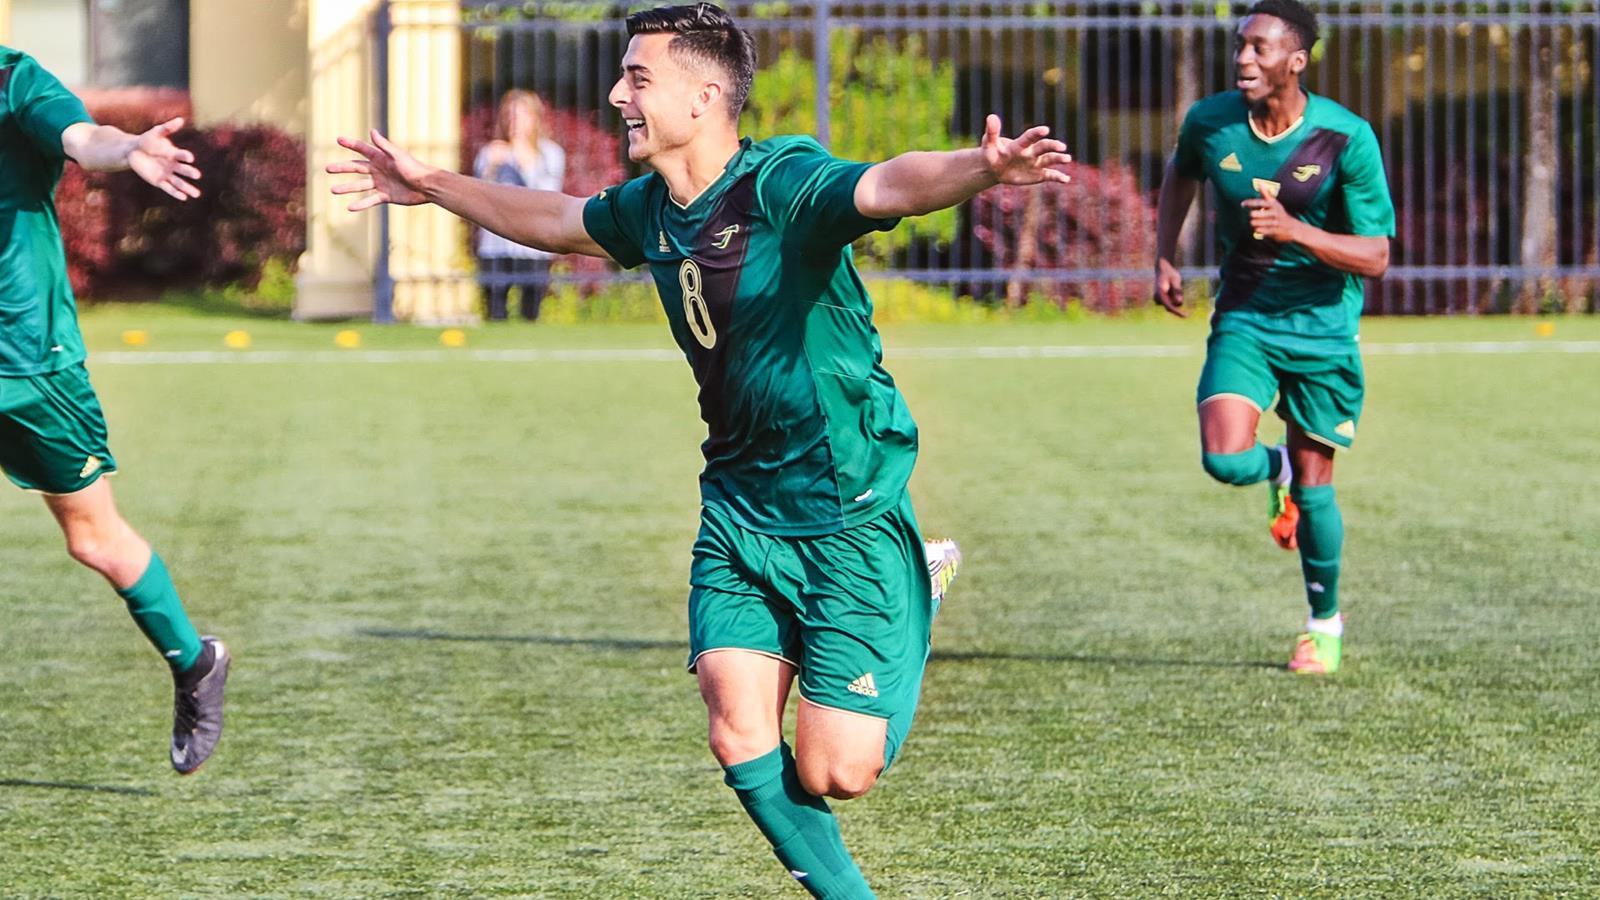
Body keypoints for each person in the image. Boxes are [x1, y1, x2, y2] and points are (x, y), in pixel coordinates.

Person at [329, 3, 1066, 893]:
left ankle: (917, 579)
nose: (616, 95)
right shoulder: (652, 209)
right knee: (736, 727)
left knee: (838, 771)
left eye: (637, 78)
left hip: (848, 510)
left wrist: (979, 170)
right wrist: (433, 183)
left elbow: (884, 186)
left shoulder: (780, 184)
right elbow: (560, 220)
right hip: (739, 510)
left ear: (705, 95)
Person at [0, 46, 230, 771]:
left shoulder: (14, 81)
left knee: (94, 540)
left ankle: (194, 661)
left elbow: (80, 138)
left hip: (28, 365)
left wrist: (127, 145)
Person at [1152, 0, 1394, 675]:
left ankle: (1324, 627)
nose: (1243, 60)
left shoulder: (1346, 138)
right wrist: (1164, 253)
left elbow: (1375, 256)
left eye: (1259, 48)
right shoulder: (1211, 122)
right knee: (1225, 458)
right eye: (1239, 46)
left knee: (1319, 494)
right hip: (1245, 318)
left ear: (1297, 60)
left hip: (1323, 331)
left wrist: (1299, 232)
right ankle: (1276, 470)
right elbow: (1182, 174)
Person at [474, 90, 566, 321]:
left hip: (533, 242)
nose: (514, 122)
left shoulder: (550, 153)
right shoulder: (491, 152)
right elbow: (479, 195)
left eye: (521, 115)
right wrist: (491, 168)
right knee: (495, 308)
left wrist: (523, 159)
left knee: (531, 309)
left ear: (534, 118)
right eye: (509, 116)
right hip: (497, 242)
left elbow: (547, 195)